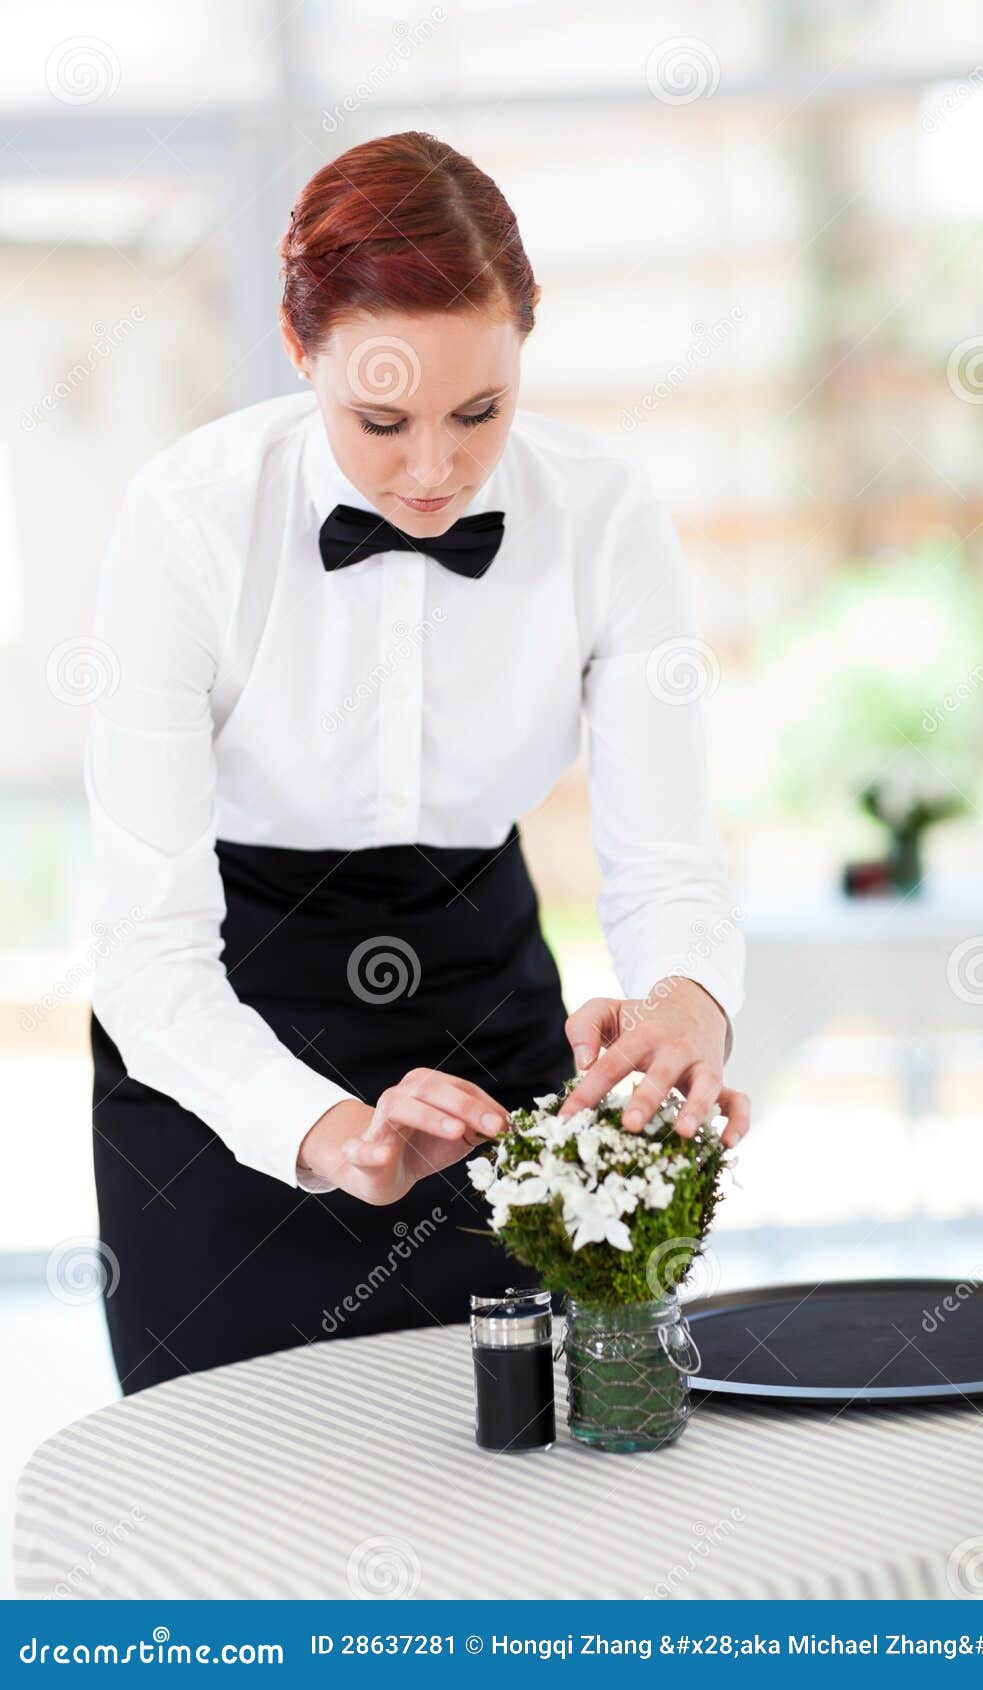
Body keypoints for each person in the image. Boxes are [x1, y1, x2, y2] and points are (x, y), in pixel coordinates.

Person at [86, 130, 749, 1396]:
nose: (436, 470)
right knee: (226, 1511)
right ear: (299, 356)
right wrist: (329, 1131)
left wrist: (684, 1006)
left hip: (482, 1004)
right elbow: (143, 950)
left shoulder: (606, 520)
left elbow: (667, 861)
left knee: (522, 1456)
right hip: (217, 1025)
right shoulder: (183, 522)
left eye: (480, 411)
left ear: (524, 346)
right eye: (380, 420)